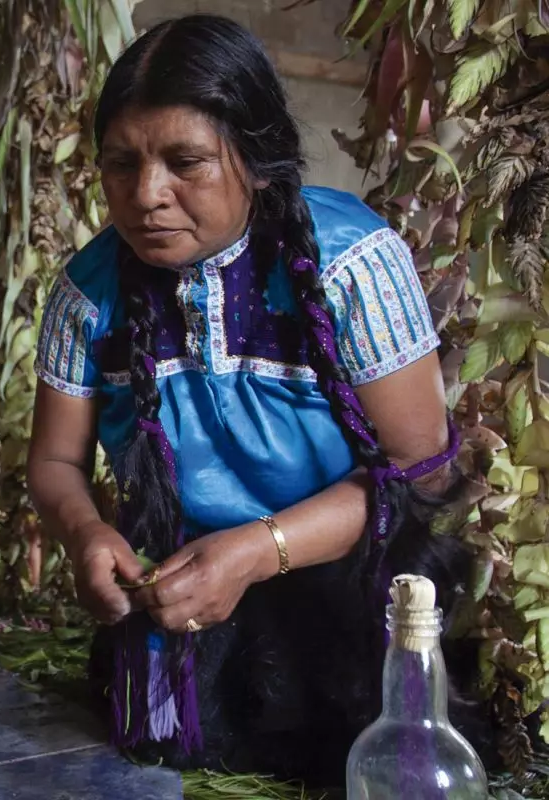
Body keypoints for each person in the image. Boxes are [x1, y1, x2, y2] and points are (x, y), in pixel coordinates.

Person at [27, 15, 489, 785]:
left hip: (351, 587)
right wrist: (84, 533)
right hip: (182, 591)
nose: (147, 196)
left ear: (259, 159)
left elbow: (421, 472)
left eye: (186, 162)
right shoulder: (85, 294)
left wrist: (258, 549)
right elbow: (54, 459)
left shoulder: (353, 264)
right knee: (177, 746)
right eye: (120, 163)